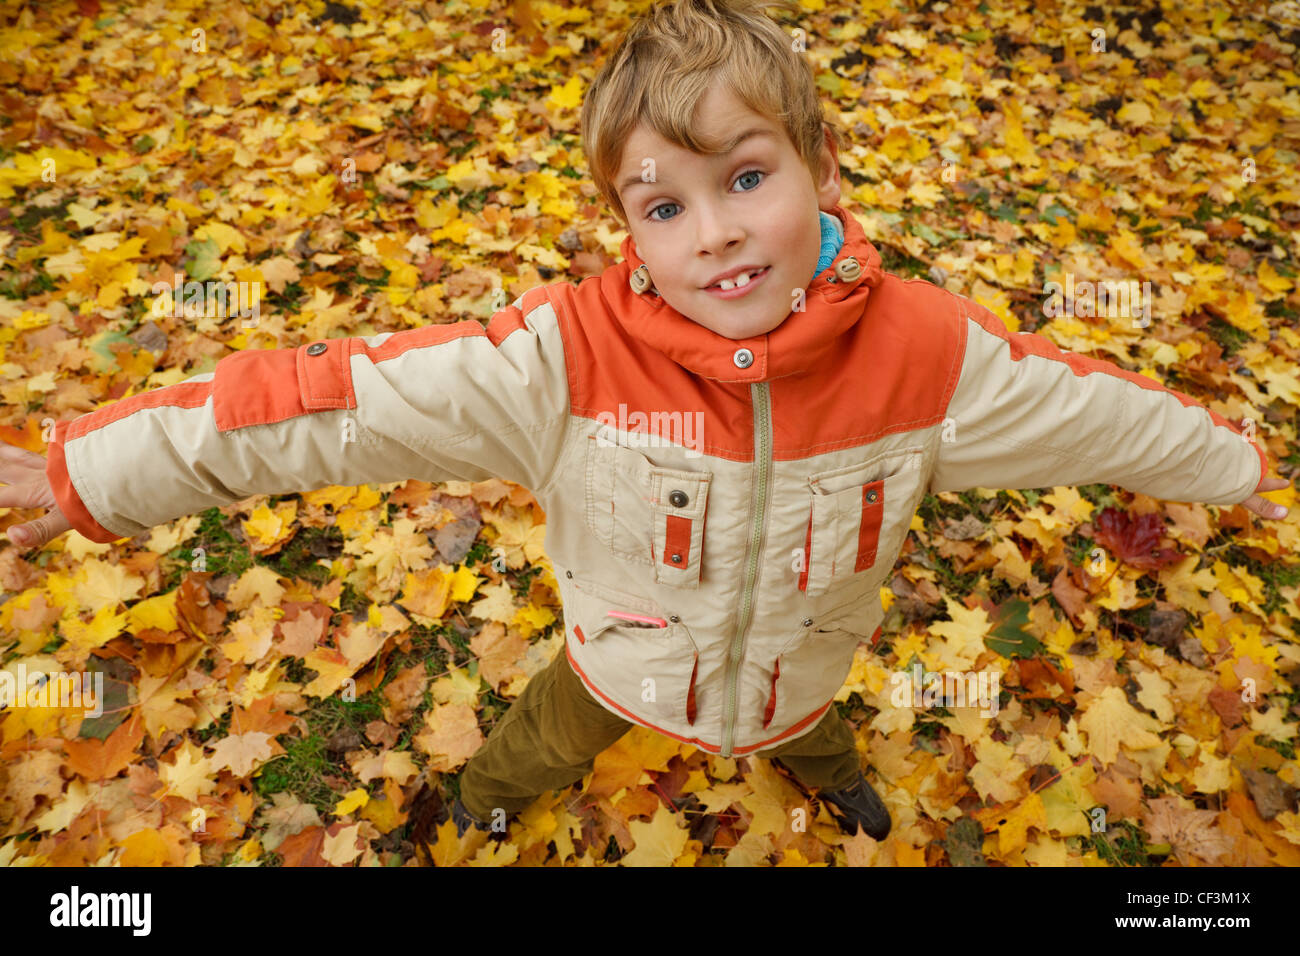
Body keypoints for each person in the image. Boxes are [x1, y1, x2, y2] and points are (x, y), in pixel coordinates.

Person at [2, 0, 1289, 850]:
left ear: (819, 168)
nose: (714, 230)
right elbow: (325, 405)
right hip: (621, 663)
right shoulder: (560, 361)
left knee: (811, 723)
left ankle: (826, 767)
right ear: (625, 225)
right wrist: (79, 473)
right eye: (661, 205)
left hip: (805, 666)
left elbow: (1102, 415)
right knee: (542, 738)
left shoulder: (929, 357)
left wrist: (1242, 469)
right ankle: (482, 800)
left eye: (744, 176)